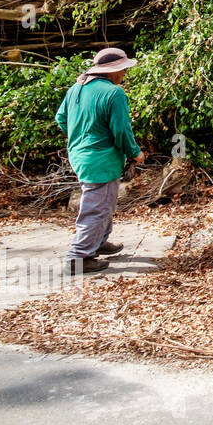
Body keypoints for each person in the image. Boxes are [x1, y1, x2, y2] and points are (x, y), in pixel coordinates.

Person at [55, 47, 146, 275]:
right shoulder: (114, 94)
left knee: (106, 201)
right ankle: (80, 256)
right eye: (123, 69)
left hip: (80, 155)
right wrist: (135, 153)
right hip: (101, 159)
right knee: (96, 208)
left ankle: (99, 241)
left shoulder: (76, 88)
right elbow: (121, 131)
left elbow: (61, 118)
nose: (124, 73)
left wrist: (80, 136)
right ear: (112, 71)